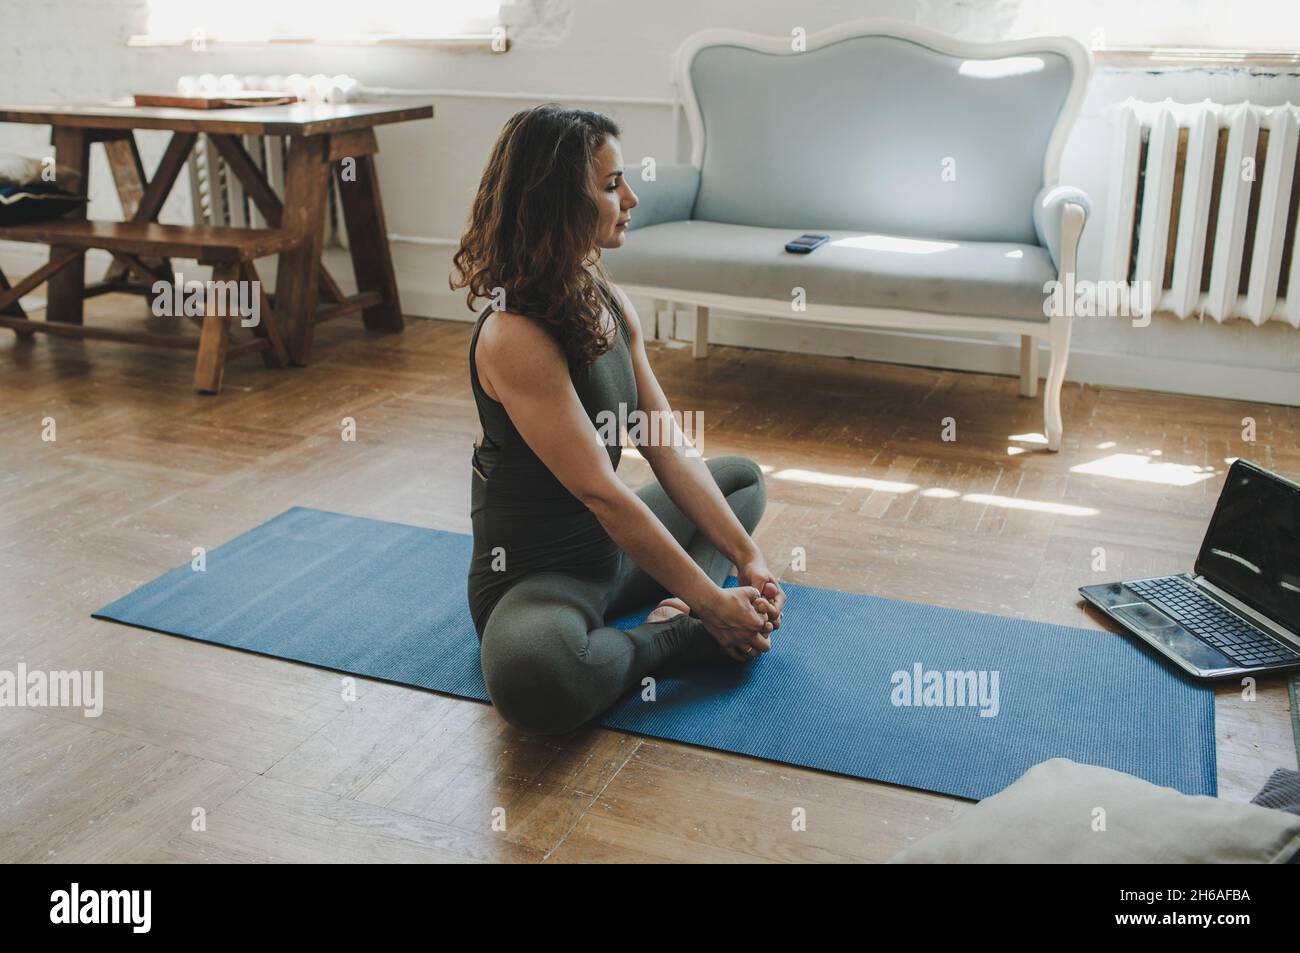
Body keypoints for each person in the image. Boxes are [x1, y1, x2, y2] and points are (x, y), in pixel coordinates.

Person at [449, 104, 786, 735]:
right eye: (610, 186)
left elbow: (663, 443)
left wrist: (747, 558)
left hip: (614, 556)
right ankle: (678, 634)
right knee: (535, 678)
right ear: (557, 204)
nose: (630, 198)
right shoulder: (513, 333)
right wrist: (713, 604)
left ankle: (690, 606)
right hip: (540, 584)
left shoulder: (603, 294)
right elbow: (601, 493)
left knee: (740, 478)